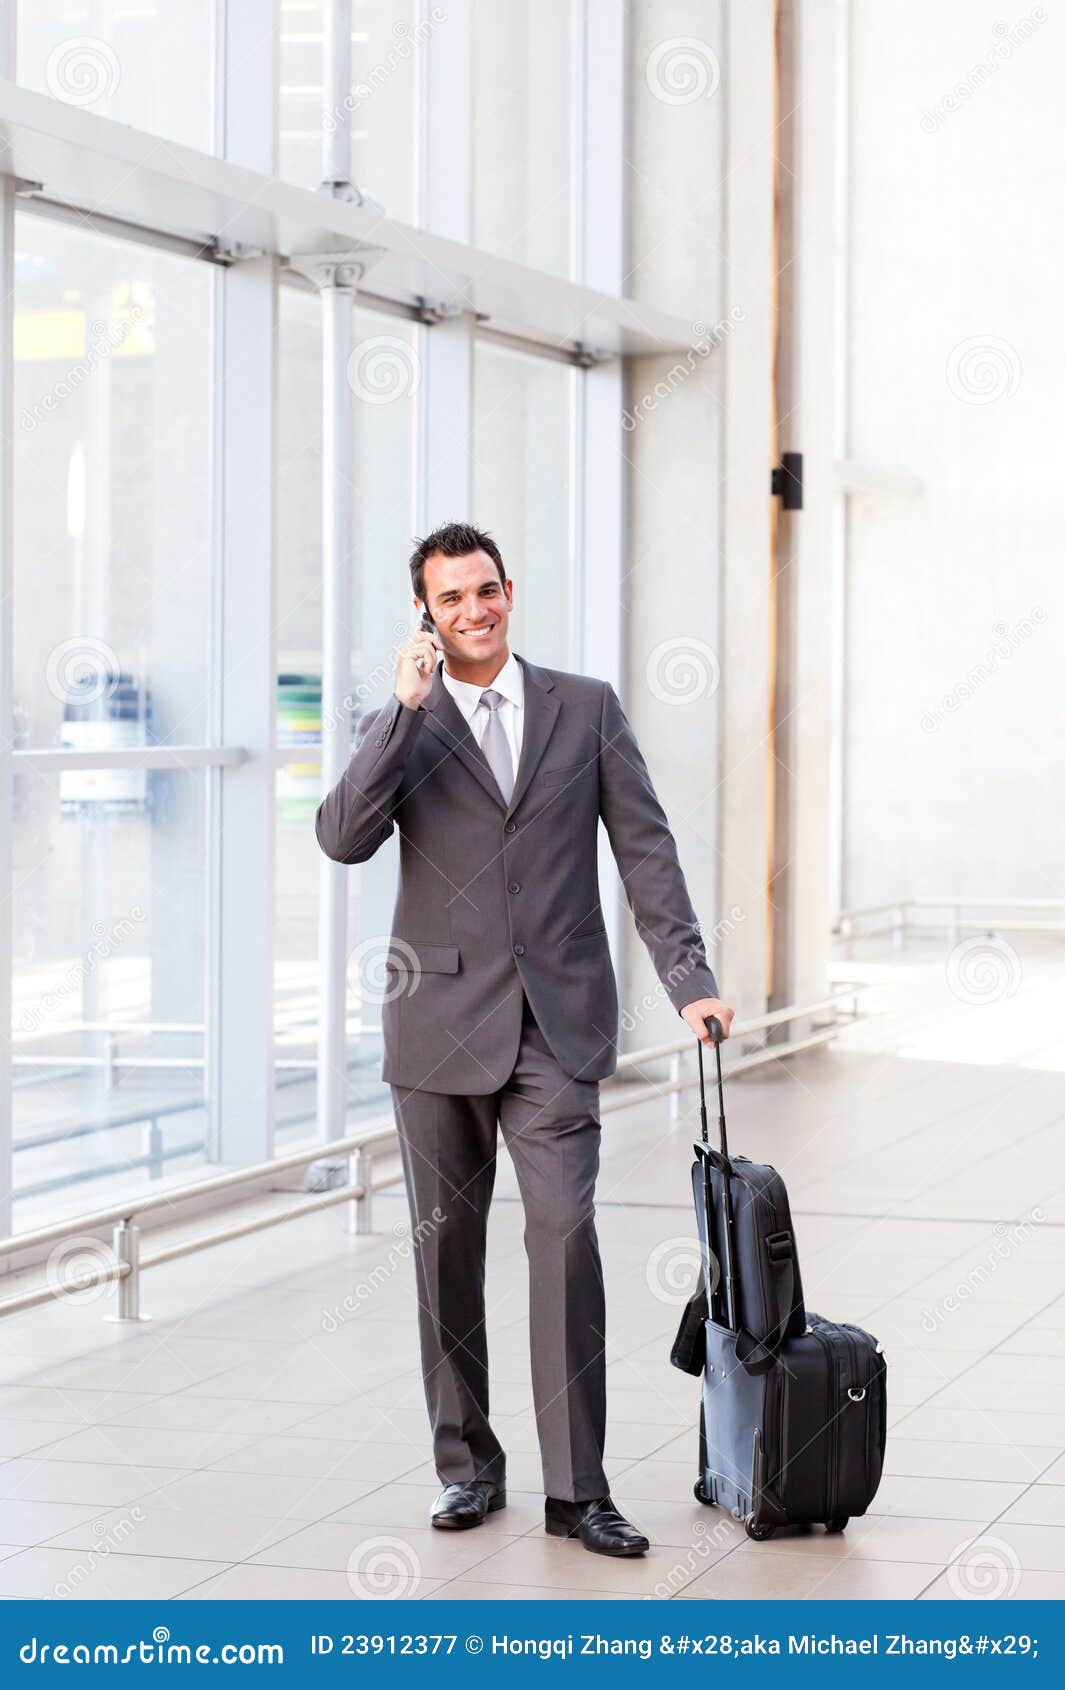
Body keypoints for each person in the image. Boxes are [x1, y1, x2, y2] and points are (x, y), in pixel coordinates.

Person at [315, 522, 734, 1558]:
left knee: (562, 1244)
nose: (472, 611)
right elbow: (341, 837)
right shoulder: (402, 723)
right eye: (449, 599)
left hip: (554, 1027)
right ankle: (466, 1467)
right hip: (437, 1026)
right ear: (426, 613)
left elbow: (644, 848)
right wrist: (401, 714)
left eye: (485, 591)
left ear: (511, 591)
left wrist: (689, 980)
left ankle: (577, 1490)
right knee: (444, 1258)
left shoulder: (582, 708)